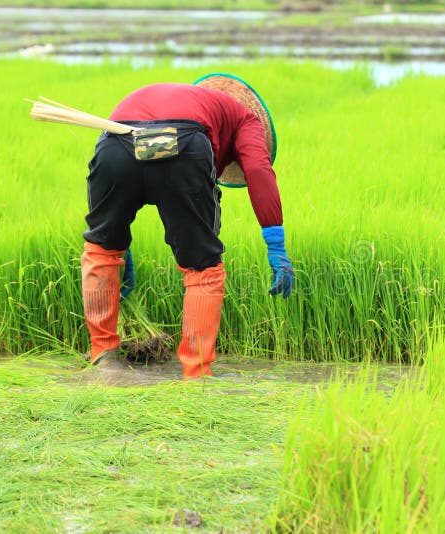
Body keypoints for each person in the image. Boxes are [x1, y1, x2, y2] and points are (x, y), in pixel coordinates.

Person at [80, 73, 294, 378]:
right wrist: (275, 244)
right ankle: (196, 375)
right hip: (182, 143)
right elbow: (259, 168)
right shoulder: (246, 119)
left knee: (102, 248)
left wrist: (118, 246)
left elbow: (139, 160)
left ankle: (103, 357)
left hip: (116, 143)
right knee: (202, 265)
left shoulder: (187, 99)